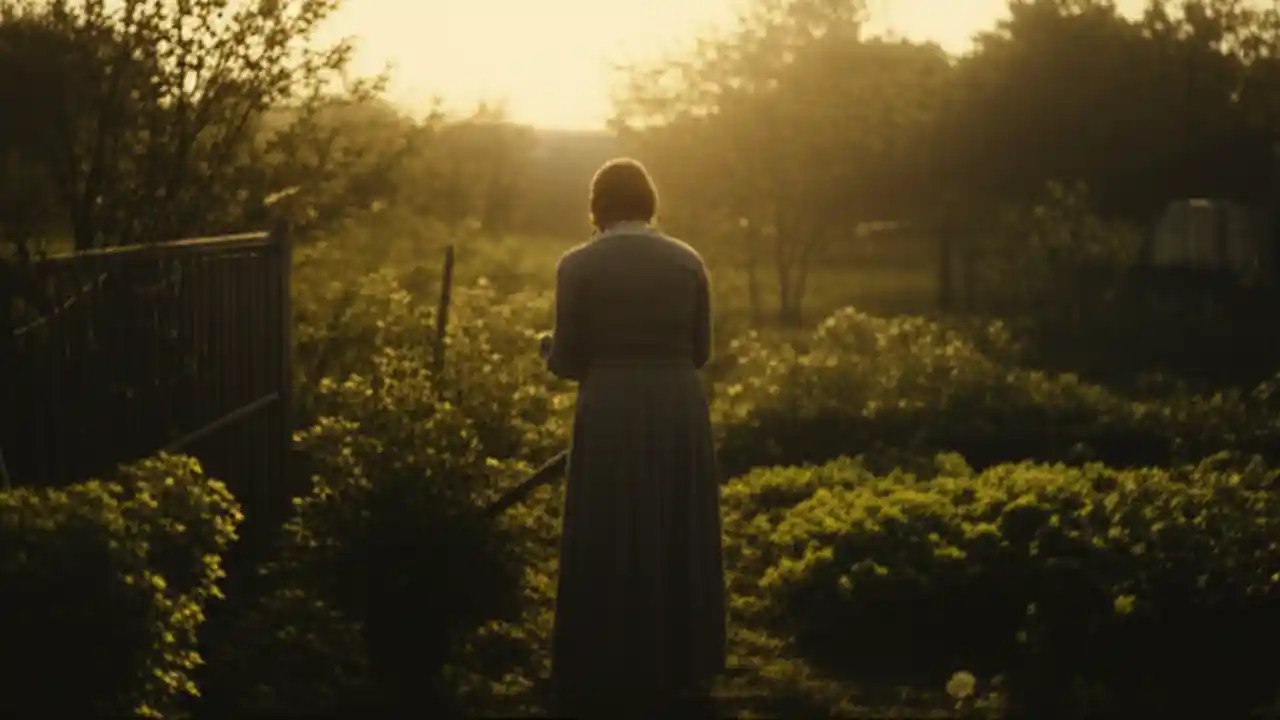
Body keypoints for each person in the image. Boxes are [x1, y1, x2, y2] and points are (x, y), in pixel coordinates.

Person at [540, 158, 726, 719]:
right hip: (677, 404)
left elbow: (568, 361)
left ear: (597, 208)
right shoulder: (687, 261)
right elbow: (700, 352)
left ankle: (605, 660)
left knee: (608, 525)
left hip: (611, 407)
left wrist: (547, 347)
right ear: (650, 204)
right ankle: (681, 662)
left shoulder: (578, 265)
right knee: (674, 523)